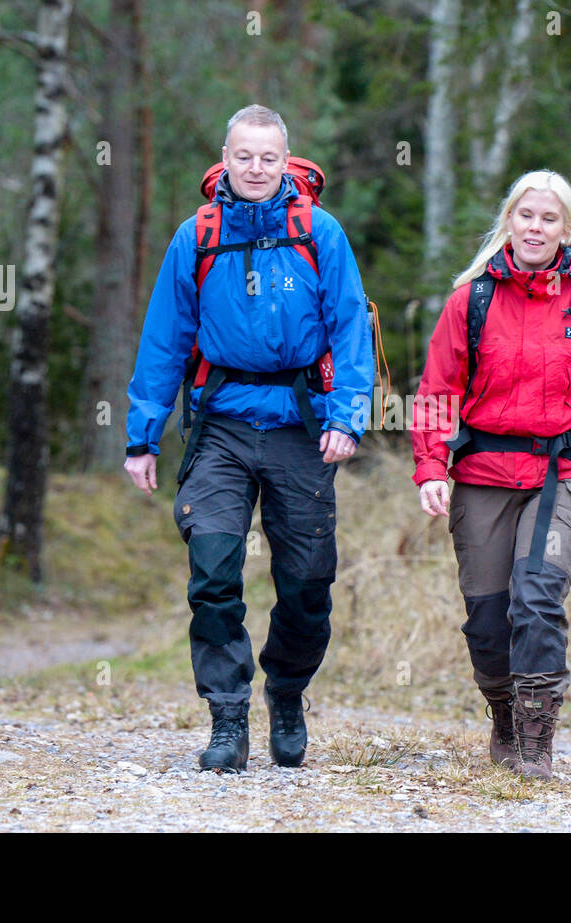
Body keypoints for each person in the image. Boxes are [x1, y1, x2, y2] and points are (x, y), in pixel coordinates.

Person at [124, 104, 373, 772]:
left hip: (303, 424)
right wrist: (142, 436)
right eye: (244, 156)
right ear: (224, 159)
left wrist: (348, 417)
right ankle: (227, 716)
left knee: (307, 579)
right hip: (221, 425)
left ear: (285, 160)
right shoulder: (196, 237)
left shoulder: (319, 232)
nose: (256, 168)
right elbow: (164, 339)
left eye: (268, 157)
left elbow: (350, 326)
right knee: (212, 569)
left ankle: (286, 692)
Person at [411, 170, 571, 780]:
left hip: (561, 471)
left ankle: (537, 739)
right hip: (483, 472)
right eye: (526, 216)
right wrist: (430, 465)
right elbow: (438, 388)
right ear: (509, 224)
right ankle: (504, 712)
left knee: (538, 597)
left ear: (565, 230)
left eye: (549, 219)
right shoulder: (473, 299)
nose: (536, 228)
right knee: (487, 619)